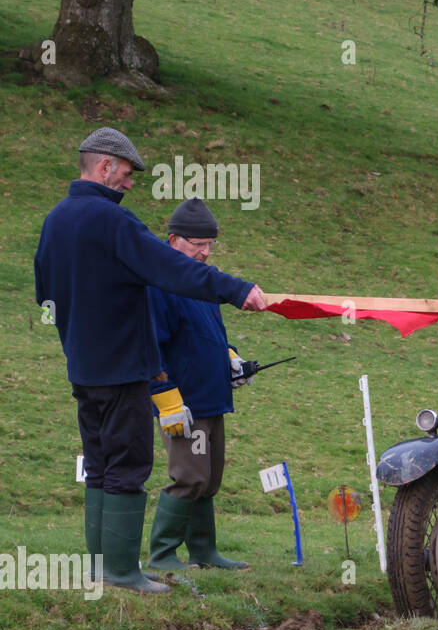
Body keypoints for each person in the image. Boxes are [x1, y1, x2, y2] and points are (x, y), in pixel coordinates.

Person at [33, 127, 267, 595]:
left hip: (83, 368)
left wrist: (75, 342)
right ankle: (122, 572)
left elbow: (46, 294)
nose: (130, 182)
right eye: (125, 173)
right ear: (103, 167)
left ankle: (100, 568)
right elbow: (172, 268)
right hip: (123, 370)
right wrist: (237, 289)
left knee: (99, 465)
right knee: (128, 464)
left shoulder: (55, 220)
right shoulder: (113, 223)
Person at [147, 198, 255, 572]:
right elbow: (150, 347)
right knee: (189, 477)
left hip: (211, 397)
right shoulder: (158, 283)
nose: (206, 253)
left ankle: (203, 552)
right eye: (198, 245)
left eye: (210, 245)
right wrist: (166, 402)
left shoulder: (201, 280)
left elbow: (211, 333)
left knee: (208, 479)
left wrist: (232, 360)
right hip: (183, 402)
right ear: (175, 240)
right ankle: (161, 555)